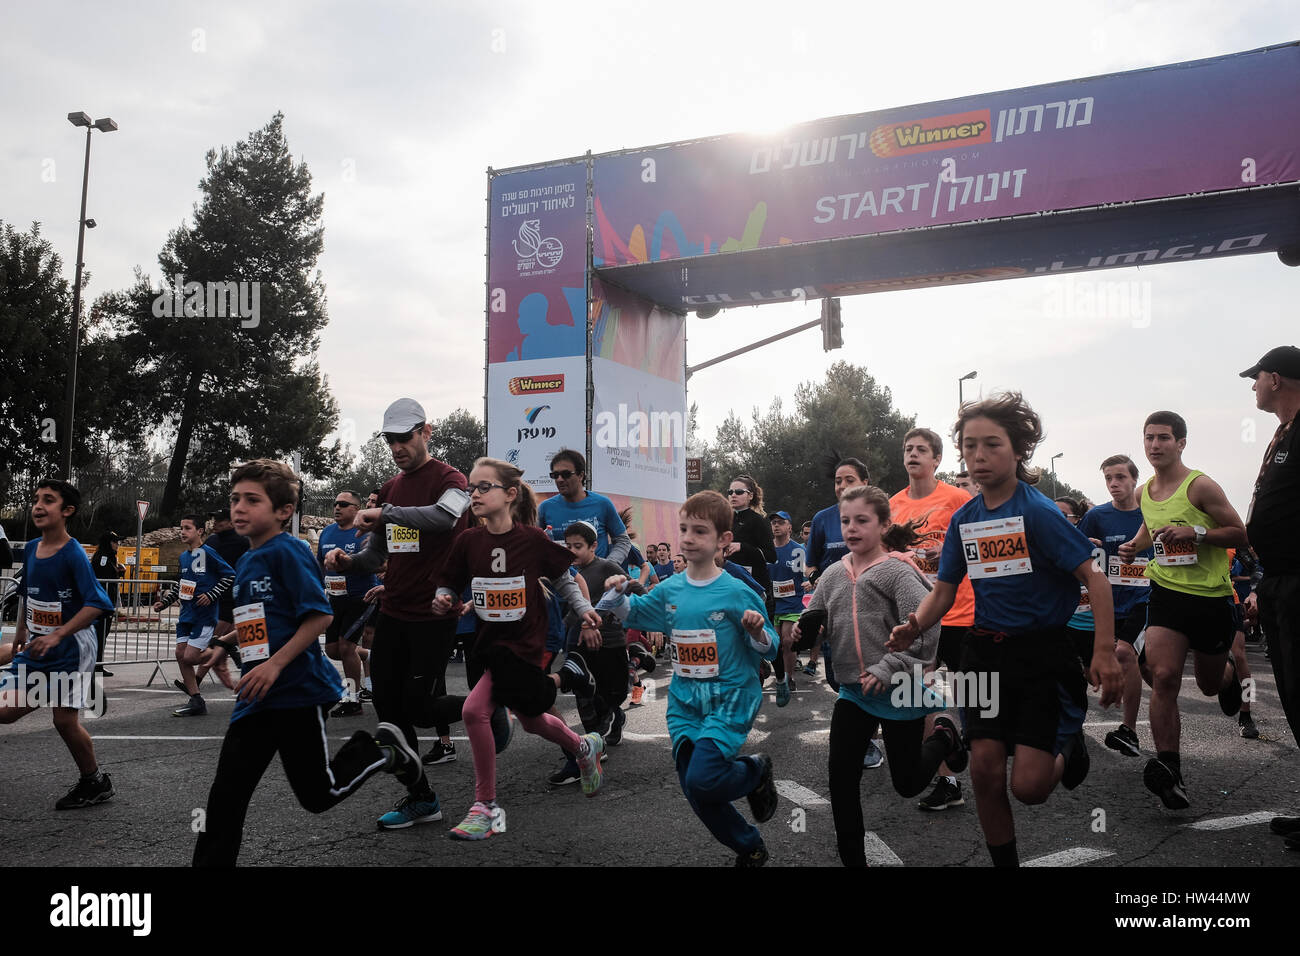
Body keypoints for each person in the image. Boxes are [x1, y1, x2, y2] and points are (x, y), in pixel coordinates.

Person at [891, 392, 1122, 867]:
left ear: (1018, 450)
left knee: (1030, 789)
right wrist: (913, 626)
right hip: (985, 656)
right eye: (970, 446)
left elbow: (1094, 578)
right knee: (985, 773)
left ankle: (1068, 743)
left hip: (1042, 657)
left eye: (992, 445)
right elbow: (944, 592)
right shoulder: (964, 520)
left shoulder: (1038, 513)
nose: (979, 456)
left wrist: (1102, 651)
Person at [191, 460, 422, 866]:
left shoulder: (290, 551)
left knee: (320, 796)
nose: (238, 508)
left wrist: (275, 664)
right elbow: (259, 620)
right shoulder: (246, 560)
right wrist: (225, 645)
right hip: (256, 697)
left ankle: (381, 751)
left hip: (297, 693)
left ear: (283, 511)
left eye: (251, 500)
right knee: (225, 797)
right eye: (234, 500)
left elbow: (319, 616)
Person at [599, 490, 781, 866]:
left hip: (730, 698)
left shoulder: (736, 591)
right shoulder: (670, 589)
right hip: (685, 703)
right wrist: (617, 595)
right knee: (695, 789)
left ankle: (754, 770)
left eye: (700, 531)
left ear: (723, 541)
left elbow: (772, 647)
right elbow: (634, 613)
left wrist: (756, 632)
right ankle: (749, 846)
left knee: (703, 779)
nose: (688, 538)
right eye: (684, 529)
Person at [433, 458, 606, 840]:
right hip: (488, 643)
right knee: (529, 719)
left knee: (474, 710)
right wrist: (444, 598)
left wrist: (584, 609)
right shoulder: (468, 541)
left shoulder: (531, 540)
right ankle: (582, 747)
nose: (473, 495)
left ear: (509, 495)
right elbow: (449, 582)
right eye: (470, 489)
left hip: (525, 644)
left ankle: (486, 807)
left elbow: (564, 580)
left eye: (483, 487)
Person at [796, 485, 966, 865]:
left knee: (907, 784)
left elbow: (929, 627)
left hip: (900, 688)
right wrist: (798, 633)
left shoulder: (896, 572)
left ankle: (943, 735)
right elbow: (815, 620)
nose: (851, 528)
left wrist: (888, 666)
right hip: (855, 693)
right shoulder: (832, 575)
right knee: (841, 782)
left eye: (862, 520)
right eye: (845, 521)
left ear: (884, 524)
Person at [324, 398, 470, 827]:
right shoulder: (390, 489)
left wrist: (384, 511)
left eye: (405, 437)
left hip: (434, 614)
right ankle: (421, 796)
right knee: (388, 711)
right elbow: (378, 555)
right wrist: (350, 563)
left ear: (426, 431)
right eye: (390, 439)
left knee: (420, 708)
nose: (397, 447)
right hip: (394, 611)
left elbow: (444, 518)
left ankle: (488, 704)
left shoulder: (451, 479)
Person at [1117, 411, 1249, 810]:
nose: (1155, 445)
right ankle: (1170, 769)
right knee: (1164, 675)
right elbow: (1148, 527)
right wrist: (1135, 546)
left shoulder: (1200, 486)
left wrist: (1197, 532)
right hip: (1166, 593)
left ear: (1181, 443)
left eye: (1163, 438)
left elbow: (1242, 533)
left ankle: (1227, 676)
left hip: (1210, 597)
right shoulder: (1143, 492)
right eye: (1149, 438)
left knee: (1208, 685)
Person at [0, 479, 116, 808]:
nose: (38, 505)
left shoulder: (74, 554)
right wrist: (22, 630)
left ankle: (93, 782)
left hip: (73, 648)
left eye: (48, 500)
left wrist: (57, 634)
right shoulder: (34, 549)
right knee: (5, 711)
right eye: (36, 499)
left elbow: (98, 604)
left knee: (64, 721)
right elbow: (26, 593)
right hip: (39, 646)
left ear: (67, 511)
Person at [888, 426, 976, 811]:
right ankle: (947, 780)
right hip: (917, 616)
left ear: (937, 459)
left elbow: (980, 546)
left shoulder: (958, 498)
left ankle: (976, 755)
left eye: (921, 449)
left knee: (972, 697)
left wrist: (952, 554)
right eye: (908, 449)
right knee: (921, 696)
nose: (913, 454)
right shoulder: (892, 504)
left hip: (961, 610)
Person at [1238, 347, 1300, 849]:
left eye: (1256, 378)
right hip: (1279, 580)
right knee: (1294, 695)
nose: (1253, 387)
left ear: (1275, 379)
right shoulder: (1284, 433)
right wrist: (1261, 584)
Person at [1079, 455, 1154, 758]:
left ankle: (1129, 731)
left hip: (1145, 598)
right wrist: (1091, 545)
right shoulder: (1097, 515)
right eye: (1109, 478)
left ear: (1134, 480)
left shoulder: (1150, 512)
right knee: (1152, 671)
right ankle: (1162, 705)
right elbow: (1074, 547)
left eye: (1120, 477)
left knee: (1124, 653)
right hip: (1110, 602)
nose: (1114, 484)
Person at [154, 514, 236, 716]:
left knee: (190, 657)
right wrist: (164, 602)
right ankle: (196, 700)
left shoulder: (208, 552)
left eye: (187, 528)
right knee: (180, 655)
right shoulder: (184, 557)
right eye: (181, 527)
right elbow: (182, 585)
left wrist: (211, 594)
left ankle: (219, 652)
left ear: (199, 531)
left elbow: (230, 575)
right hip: (186, 615)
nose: (182, 532)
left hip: (204, 615)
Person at [564, 521, 631, 744]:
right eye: (568, 546)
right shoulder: (565, 572)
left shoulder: (607, 568)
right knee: (583, 693)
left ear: (593, 546)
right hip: (578, 641)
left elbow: (631, 590)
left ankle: (614, 715)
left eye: (578, 546)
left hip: (610, 641)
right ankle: (593, 741)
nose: (571, 551)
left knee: (613, 691)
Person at [317, 491, 378, 717]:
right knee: (333, 651)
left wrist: (347, 563)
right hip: (335, 599)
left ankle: (352, 699)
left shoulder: (364, 533)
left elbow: (376, 564)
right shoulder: (326, 533)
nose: (337, 507)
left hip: (361, 597)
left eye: (343, 504)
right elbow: (319, 566)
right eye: (335, 503)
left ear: (356, 508)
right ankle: (372, 655)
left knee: (345, 647)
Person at [537, 449, 631, 563]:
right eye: (555, 475)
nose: (560, 479)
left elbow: (622, 540)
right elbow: (534, 545)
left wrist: (609, 565)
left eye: (566, 474)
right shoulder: (545, 508)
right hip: (561, 578)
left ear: (581, 475)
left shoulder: (602, 504)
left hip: (597, 579)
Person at [767, 510, 805, 707]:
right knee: (774, 643)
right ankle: (778, 674)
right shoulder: (766, 550)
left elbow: (808, 574)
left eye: (780, 522)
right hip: (773, 603)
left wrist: (808, 582)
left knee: (788, 640)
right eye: (773, 522)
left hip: (793, 602)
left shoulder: (798, 550)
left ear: (789, 526)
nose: (776, 526)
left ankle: (790, 677)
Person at [90, 531, 123, 676]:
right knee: (100, 634)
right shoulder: (103, 557)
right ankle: (95, 665)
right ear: (109, 543)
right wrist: (117, 571)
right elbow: (104, 575)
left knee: (103, 634)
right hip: (102, 602)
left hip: (106, 601)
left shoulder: (108, 557)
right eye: (116, 542)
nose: (118, 545)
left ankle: (97, 664)